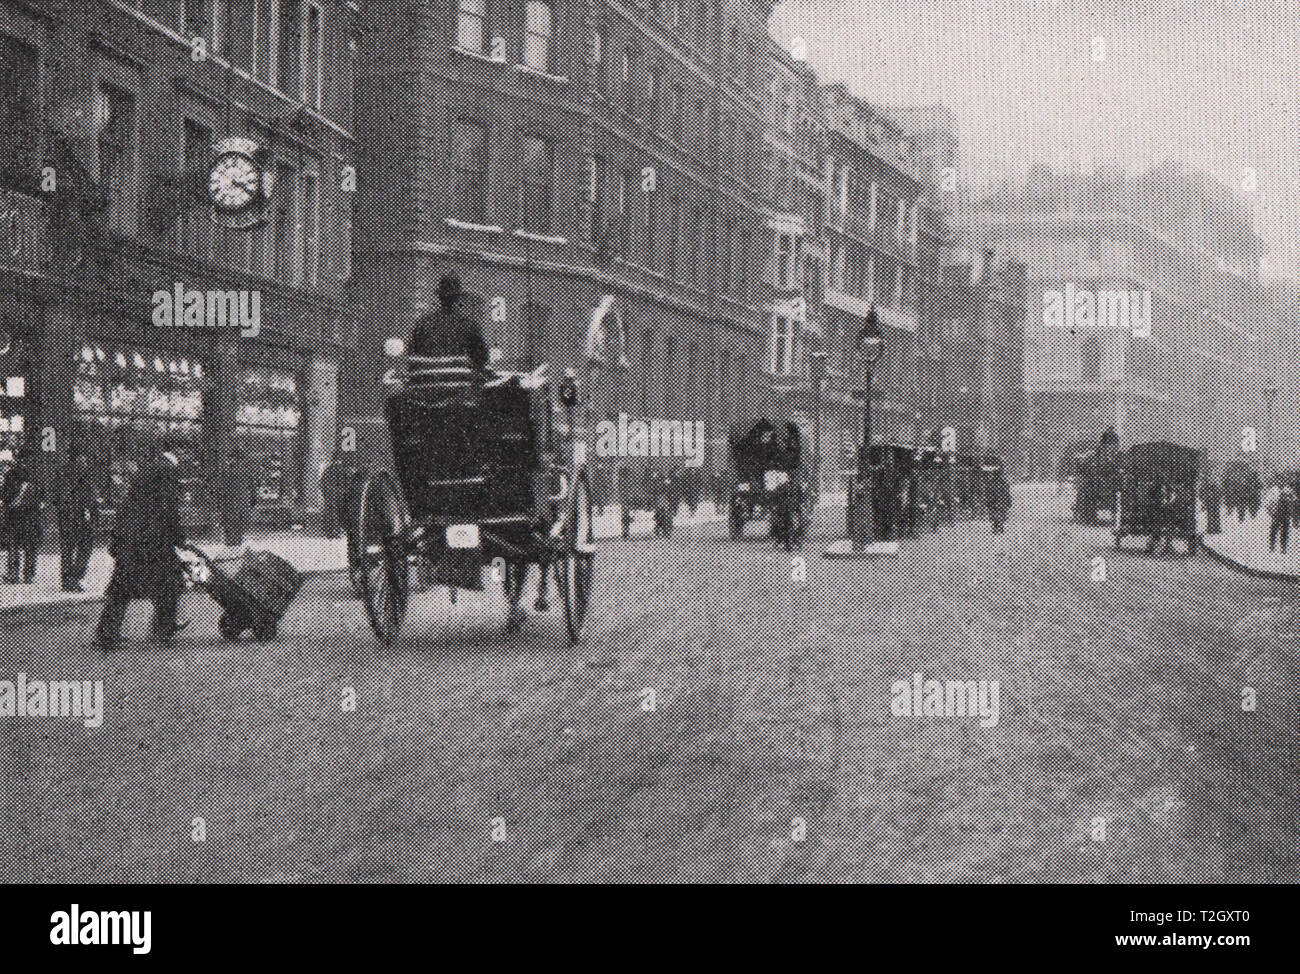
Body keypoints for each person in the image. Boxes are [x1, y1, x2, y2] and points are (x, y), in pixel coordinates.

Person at [94, 440, 190, 653]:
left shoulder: (149, 468)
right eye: (185, 451)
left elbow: (131, 504)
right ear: (178, 451)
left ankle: (106, 633)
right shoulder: (168, 471)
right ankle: (162, 629)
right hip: (152, 540)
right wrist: (179, 537)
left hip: (131, 537)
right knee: (171, 582)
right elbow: (168, 509)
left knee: (122, 586)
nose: (186, 457)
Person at [405, 273, 489, 389]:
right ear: (458, 298)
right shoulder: (469, 324)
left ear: (439, 297)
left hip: (426, 390)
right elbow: (482, 359)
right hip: (459, 390)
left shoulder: (422, 323)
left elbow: (412, 357)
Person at [58, 452, 100, 592]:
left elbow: (58, 498)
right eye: (82, 459)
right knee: (83, 548)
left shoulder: (64, 474)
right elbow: (90, 498)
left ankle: (67, 579)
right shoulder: (84, 476)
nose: (84, 462)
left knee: (68, 549)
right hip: (80, 518)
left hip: (69, 518)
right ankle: (73, 578)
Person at [3, 449, 42, 583]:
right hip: (31, 515)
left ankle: (13, 574)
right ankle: (29, 575)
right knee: (30, 546)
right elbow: (42, 498)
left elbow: (4, 495)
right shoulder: (36, 475)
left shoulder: (11, 474)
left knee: (14, 545)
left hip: (15, 515)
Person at [217, 446, 256, 547]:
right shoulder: (247, 472)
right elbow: (253, 490)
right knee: (239, 533)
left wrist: (218, 506)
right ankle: (236, 550)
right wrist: (252, 504)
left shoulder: (226, 472)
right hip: (242, 506)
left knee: (230, 535)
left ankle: (231, 550)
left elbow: (220, 490)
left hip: (229, 507)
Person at [1268, 479, 1295, 554]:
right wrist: (1271, 512)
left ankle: (1283, 547)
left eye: (1283, 481)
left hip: (1286, 514)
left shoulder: (1288, 490)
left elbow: (1294, 500)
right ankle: (1272, 546)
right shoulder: (1274, 490)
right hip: (1277, 514)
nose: (1281, 483)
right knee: (1274, 530)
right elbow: (1267, 502)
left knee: (1284, 531)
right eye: (1280, 481)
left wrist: (1289, 499)